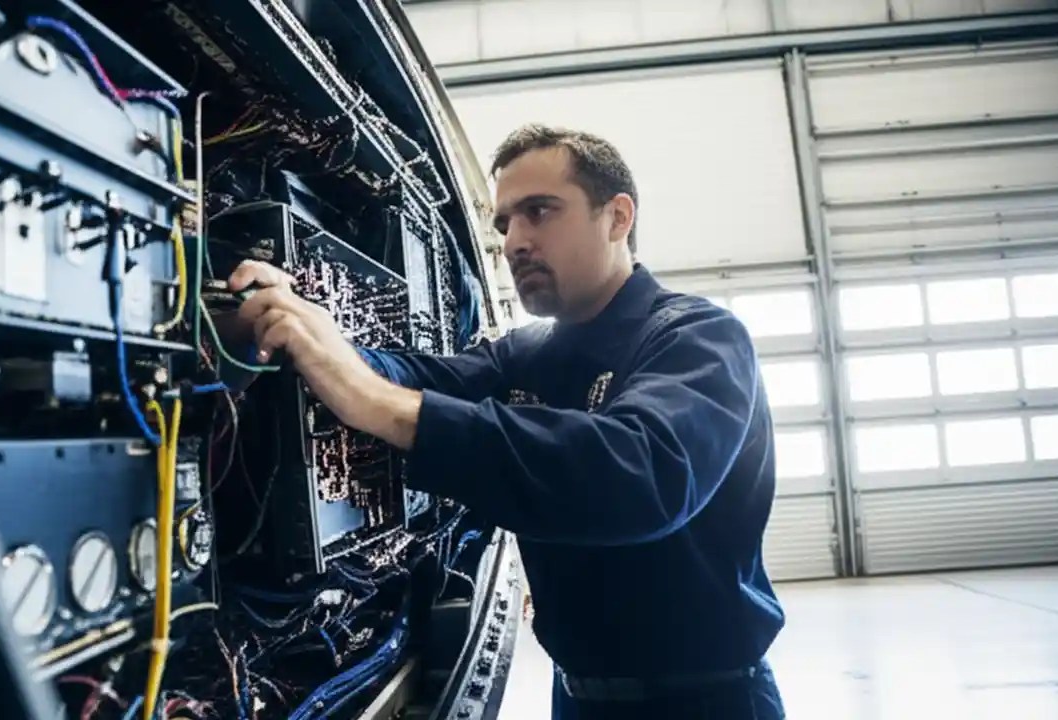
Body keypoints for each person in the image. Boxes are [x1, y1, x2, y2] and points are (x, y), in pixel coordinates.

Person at [225, 124, 786, 719]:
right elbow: (420, 377)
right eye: (504, 225)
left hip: (710, 701)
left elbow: (640, 474)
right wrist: (302, 333)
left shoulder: (699, 338)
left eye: (540, 212)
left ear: (618, 217)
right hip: (578, 696)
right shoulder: (528, 353)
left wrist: (381, 404)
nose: (515, 241)